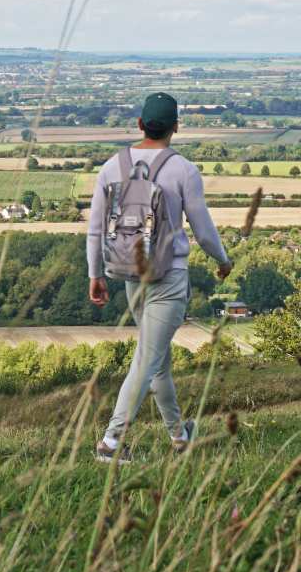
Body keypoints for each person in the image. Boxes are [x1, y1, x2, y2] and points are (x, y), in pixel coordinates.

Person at [88, 92, 230, 461]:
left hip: (130, 275)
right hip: (170, 278)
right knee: (147, 360)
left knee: (158, 360)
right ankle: (110, 444)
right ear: (175, 127)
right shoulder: (183, 170)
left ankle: (180, 438)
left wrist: (96, 274)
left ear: (139, 125)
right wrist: (223, 260)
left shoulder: (111, 167)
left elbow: (95, 229)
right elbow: (203, 231)